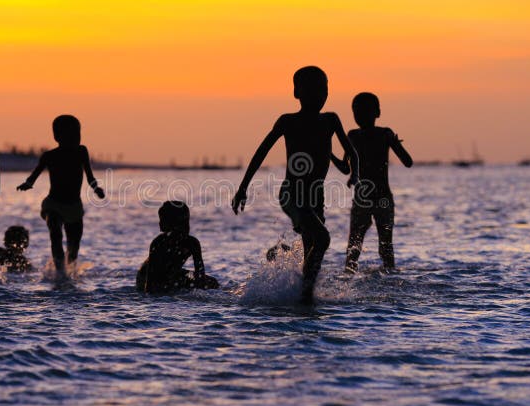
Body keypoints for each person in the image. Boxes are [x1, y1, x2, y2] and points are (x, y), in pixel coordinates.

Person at [231, 66, 358, 303]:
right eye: (311, 90)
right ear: (296, 93)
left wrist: (355, 174)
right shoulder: (288, 121)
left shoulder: (331, 120)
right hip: (292, 194)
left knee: (313, 245)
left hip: (315, 196)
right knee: (322, 238)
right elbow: (261, 152)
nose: (319, 95)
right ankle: (304, 296)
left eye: (323, 89)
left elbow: (351, 153)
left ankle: (301, 291)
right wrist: (242, 188)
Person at [330, 92, 412, 273]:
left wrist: (395, 143)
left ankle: (389, 276)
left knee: (385, 245)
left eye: (365, 111)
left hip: (383, 198)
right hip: (361, 200)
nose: (360, 116)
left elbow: (408, 162)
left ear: (377, 113)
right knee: (353, 248)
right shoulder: (352, 136)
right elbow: (345, 167)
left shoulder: (385, 134)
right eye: (356, 112)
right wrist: (328, 152)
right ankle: (348, 278)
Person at [17, 115, 105, 277]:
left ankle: (69, 274)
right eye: (70, 135)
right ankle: (60, 272)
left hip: (74, 206)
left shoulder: (81, 152)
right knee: (55, 234)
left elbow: (90, 176)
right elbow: (35, 175)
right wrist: (28, 184)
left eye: (78, 134)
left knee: (74, 245)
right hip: (54, 204)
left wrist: (96, 188)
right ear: (57, 137)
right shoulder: (49, 156)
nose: (75, 138)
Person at [136, 201, 219, 293]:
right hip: (146, 277)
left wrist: (201, 289)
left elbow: (200, 274)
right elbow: (150, 281)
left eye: (162, 219)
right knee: (163, 286)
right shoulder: (159, 242)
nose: (159, 223)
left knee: (212, 282)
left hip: (172, 274)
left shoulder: (192, 243)